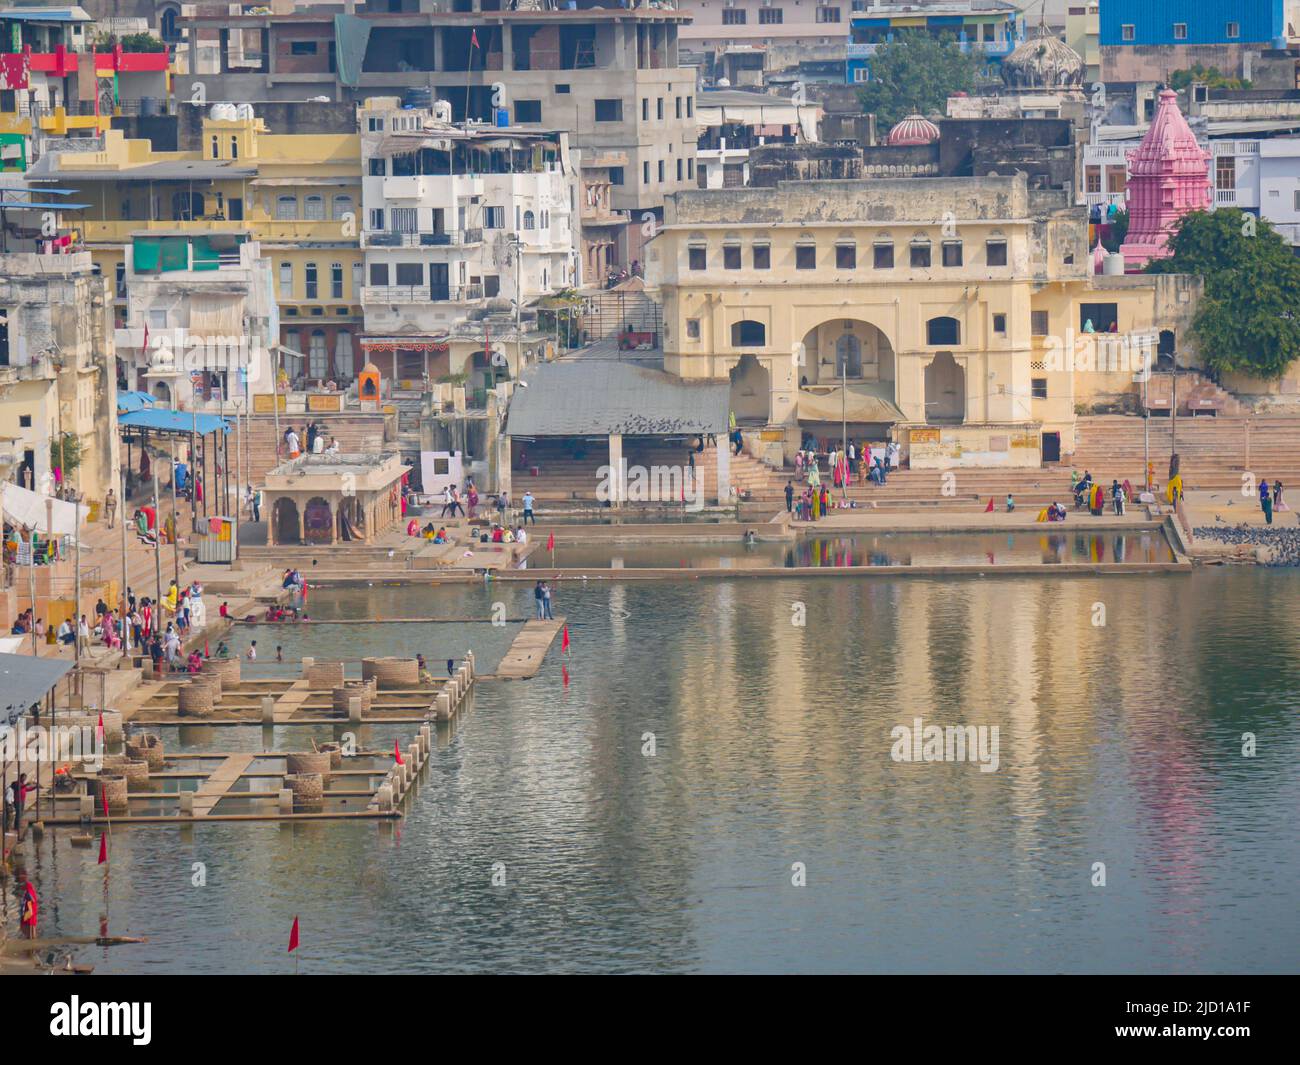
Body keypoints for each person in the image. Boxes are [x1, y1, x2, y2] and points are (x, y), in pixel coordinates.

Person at [8, 773, 37, 838]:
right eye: (23, 777)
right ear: (20, 777)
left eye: (25, 778)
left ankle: (18, 824)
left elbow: (26, 789)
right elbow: (19, 788)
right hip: (18, 801)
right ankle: (16, 827)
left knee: (20, 813)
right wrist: (26, 785)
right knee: (18, 813)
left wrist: (34, 787)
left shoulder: (23, 785)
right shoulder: (16, 783)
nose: (24, 779)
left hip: (22, 801)